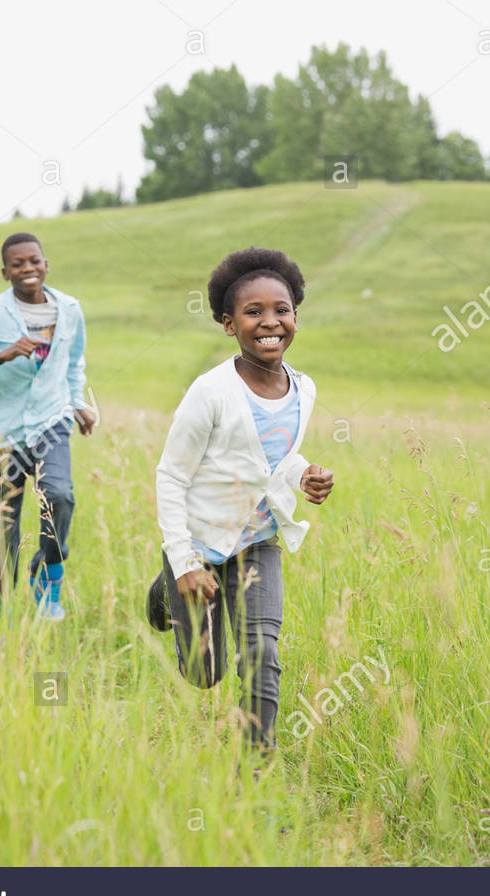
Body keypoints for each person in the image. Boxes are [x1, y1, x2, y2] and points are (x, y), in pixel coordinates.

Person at [148, 247, 334, 751]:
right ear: (229, 324)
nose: (270, 322)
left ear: (295, 314)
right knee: (204, 673)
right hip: (201, 546)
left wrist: (304, 476)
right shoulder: (210, 392)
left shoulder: (304, 388)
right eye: (254, 312)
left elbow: (274, 459)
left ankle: (257, 762)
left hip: (259, 541)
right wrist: (183, 560)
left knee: (262, 651)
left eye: (282, 309)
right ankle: (166, 589)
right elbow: (170, 476)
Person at [0, 232, 94, 625]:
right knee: (5, 523)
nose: (27, 269)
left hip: (52, 420)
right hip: (3, 432)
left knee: (59, 496)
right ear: (5, 272)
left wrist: (79, 404)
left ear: (46, 265)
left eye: (34, 261)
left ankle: (47, 574)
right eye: (18, 264)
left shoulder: (69, 309)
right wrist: (1, 354)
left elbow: (74, 362)